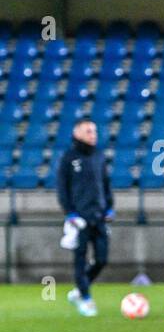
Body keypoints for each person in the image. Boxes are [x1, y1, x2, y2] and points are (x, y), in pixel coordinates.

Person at [56, 118, 113, 317]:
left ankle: (79, 290)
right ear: (78, 133)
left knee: (102, 259)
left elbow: (105, 184)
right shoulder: (68, 158)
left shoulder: (99, 156)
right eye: (89, 131)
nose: (93, 135)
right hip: (79, 219)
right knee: (79, 260)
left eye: (94, 131)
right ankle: (86, 299)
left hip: (98, 217)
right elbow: (62, 189)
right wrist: (70, 213)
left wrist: (109, 208)